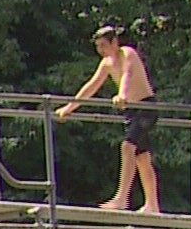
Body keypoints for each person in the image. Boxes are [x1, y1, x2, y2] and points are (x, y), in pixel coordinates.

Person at [55, 24, 160, 213]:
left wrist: (122, 94)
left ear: (114, 42)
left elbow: (128, 74)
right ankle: (152, 204)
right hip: (131, 111)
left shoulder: (127, 53)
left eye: (103, 45)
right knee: (142, 157)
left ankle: (121, 198)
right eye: (98, 47)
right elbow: (91, 86)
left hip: (146, 107)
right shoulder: (106, 63)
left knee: (127, 147)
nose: (101, 50)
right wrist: (69, 108)